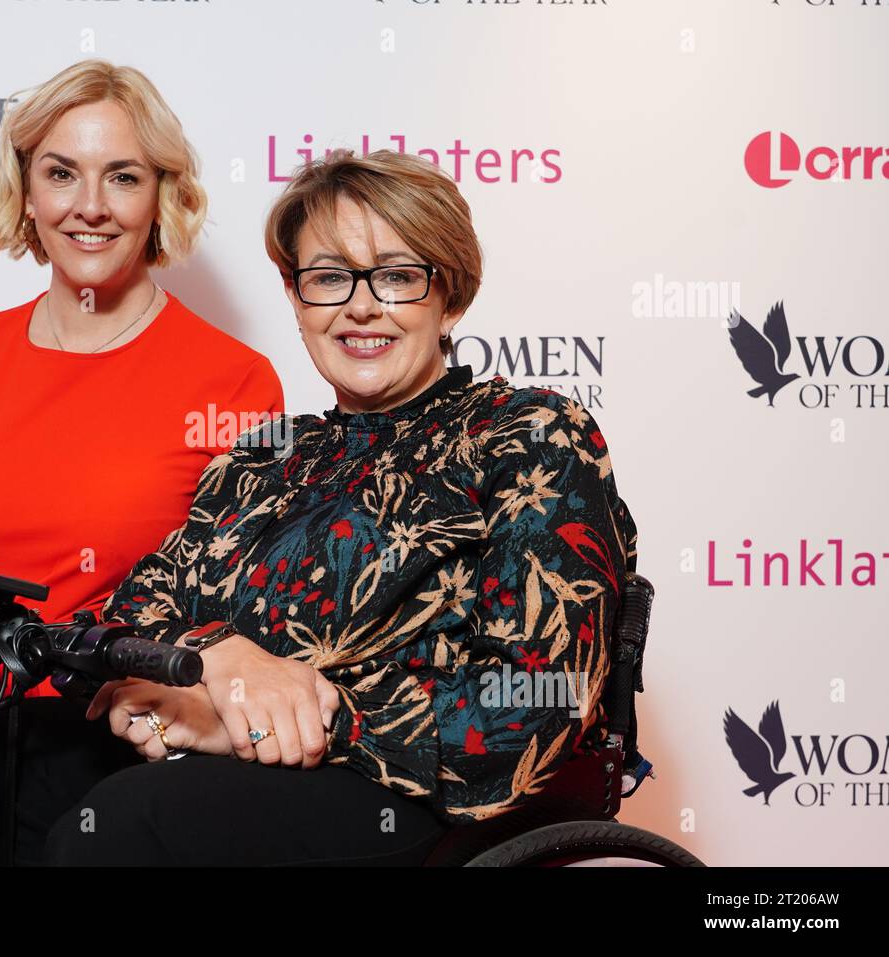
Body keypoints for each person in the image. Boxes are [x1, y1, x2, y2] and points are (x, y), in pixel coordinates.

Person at [44, 148, 640, 865]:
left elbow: (536, 700)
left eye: (395, 275)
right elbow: (133, 613)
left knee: (128, 819)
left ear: (448, 296)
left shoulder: (527, 433)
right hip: (239, 775)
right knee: (10, 768)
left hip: (421, 796)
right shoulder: (261, 459)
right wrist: (218, 663)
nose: (361, 305)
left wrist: (277, 722)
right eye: (329, 278)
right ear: (297, 299)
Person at [0, 59, 283, 866]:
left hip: (120, 772)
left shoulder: (233, 380)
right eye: (62, 173)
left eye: (122, 177)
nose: (90, 206)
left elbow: (239, 625)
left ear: (160, 196)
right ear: (26, 191)